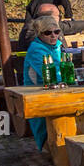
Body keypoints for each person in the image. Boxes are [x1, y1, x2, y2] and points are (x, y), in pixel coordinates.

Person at [22, 17, 66, 150]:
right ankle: (52, 148)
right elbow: (52, 75)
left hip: (56, 91)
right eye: (48, 33)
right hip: (38, 95)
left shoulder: (57, 46)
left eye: (56, 31)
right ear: (39, 34)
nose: (53, 35)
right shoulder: (36, 49)